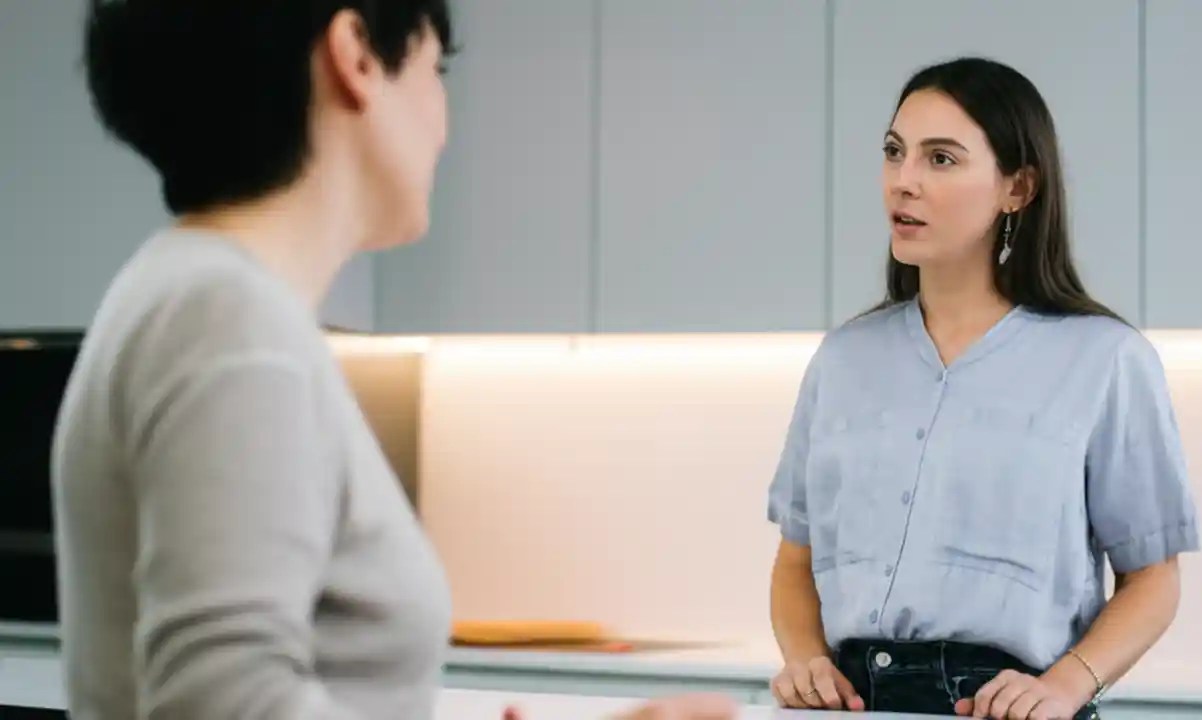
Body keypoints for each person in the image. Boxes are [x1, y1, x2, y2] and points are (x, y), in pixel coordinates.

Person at [52, 2, 736, 719]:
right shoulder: (228, 319)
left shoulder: (198, 297)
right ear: (356, 55)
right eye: (434, 69)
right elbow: (224, 705)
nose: (444, 121)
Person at [765, 57, 1200, 720]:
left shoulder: (1105, 359)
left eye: (941, 159)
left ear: (1018, 188)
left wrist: (1066, 685)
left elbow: (1153, 578)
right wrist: (805, 662)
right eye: (894, 152)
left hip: (1013, 707)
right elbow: (796, 563)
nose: (903, 182)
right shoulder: (843, 360)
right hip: (853, 703)